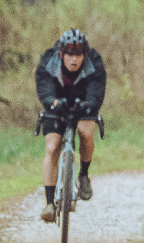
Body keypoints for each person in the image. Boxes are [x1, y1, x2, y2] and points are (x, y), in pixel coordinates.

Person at [36, 28, 105, 223]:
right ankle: (50, 203)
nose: (74, 60)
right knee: (52, 147)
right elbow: (44, 88)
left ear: (85, 54)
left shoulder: (95, 63)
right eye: (69, 55)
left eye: (79, 55)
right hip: (57, 105)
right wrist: (53, 102)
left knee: (85, 133)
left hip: (84, 104)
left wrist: (89, 104)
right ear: (61, 54)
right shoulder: (48, 61)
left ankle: (83, 175)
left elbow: (97, 91)